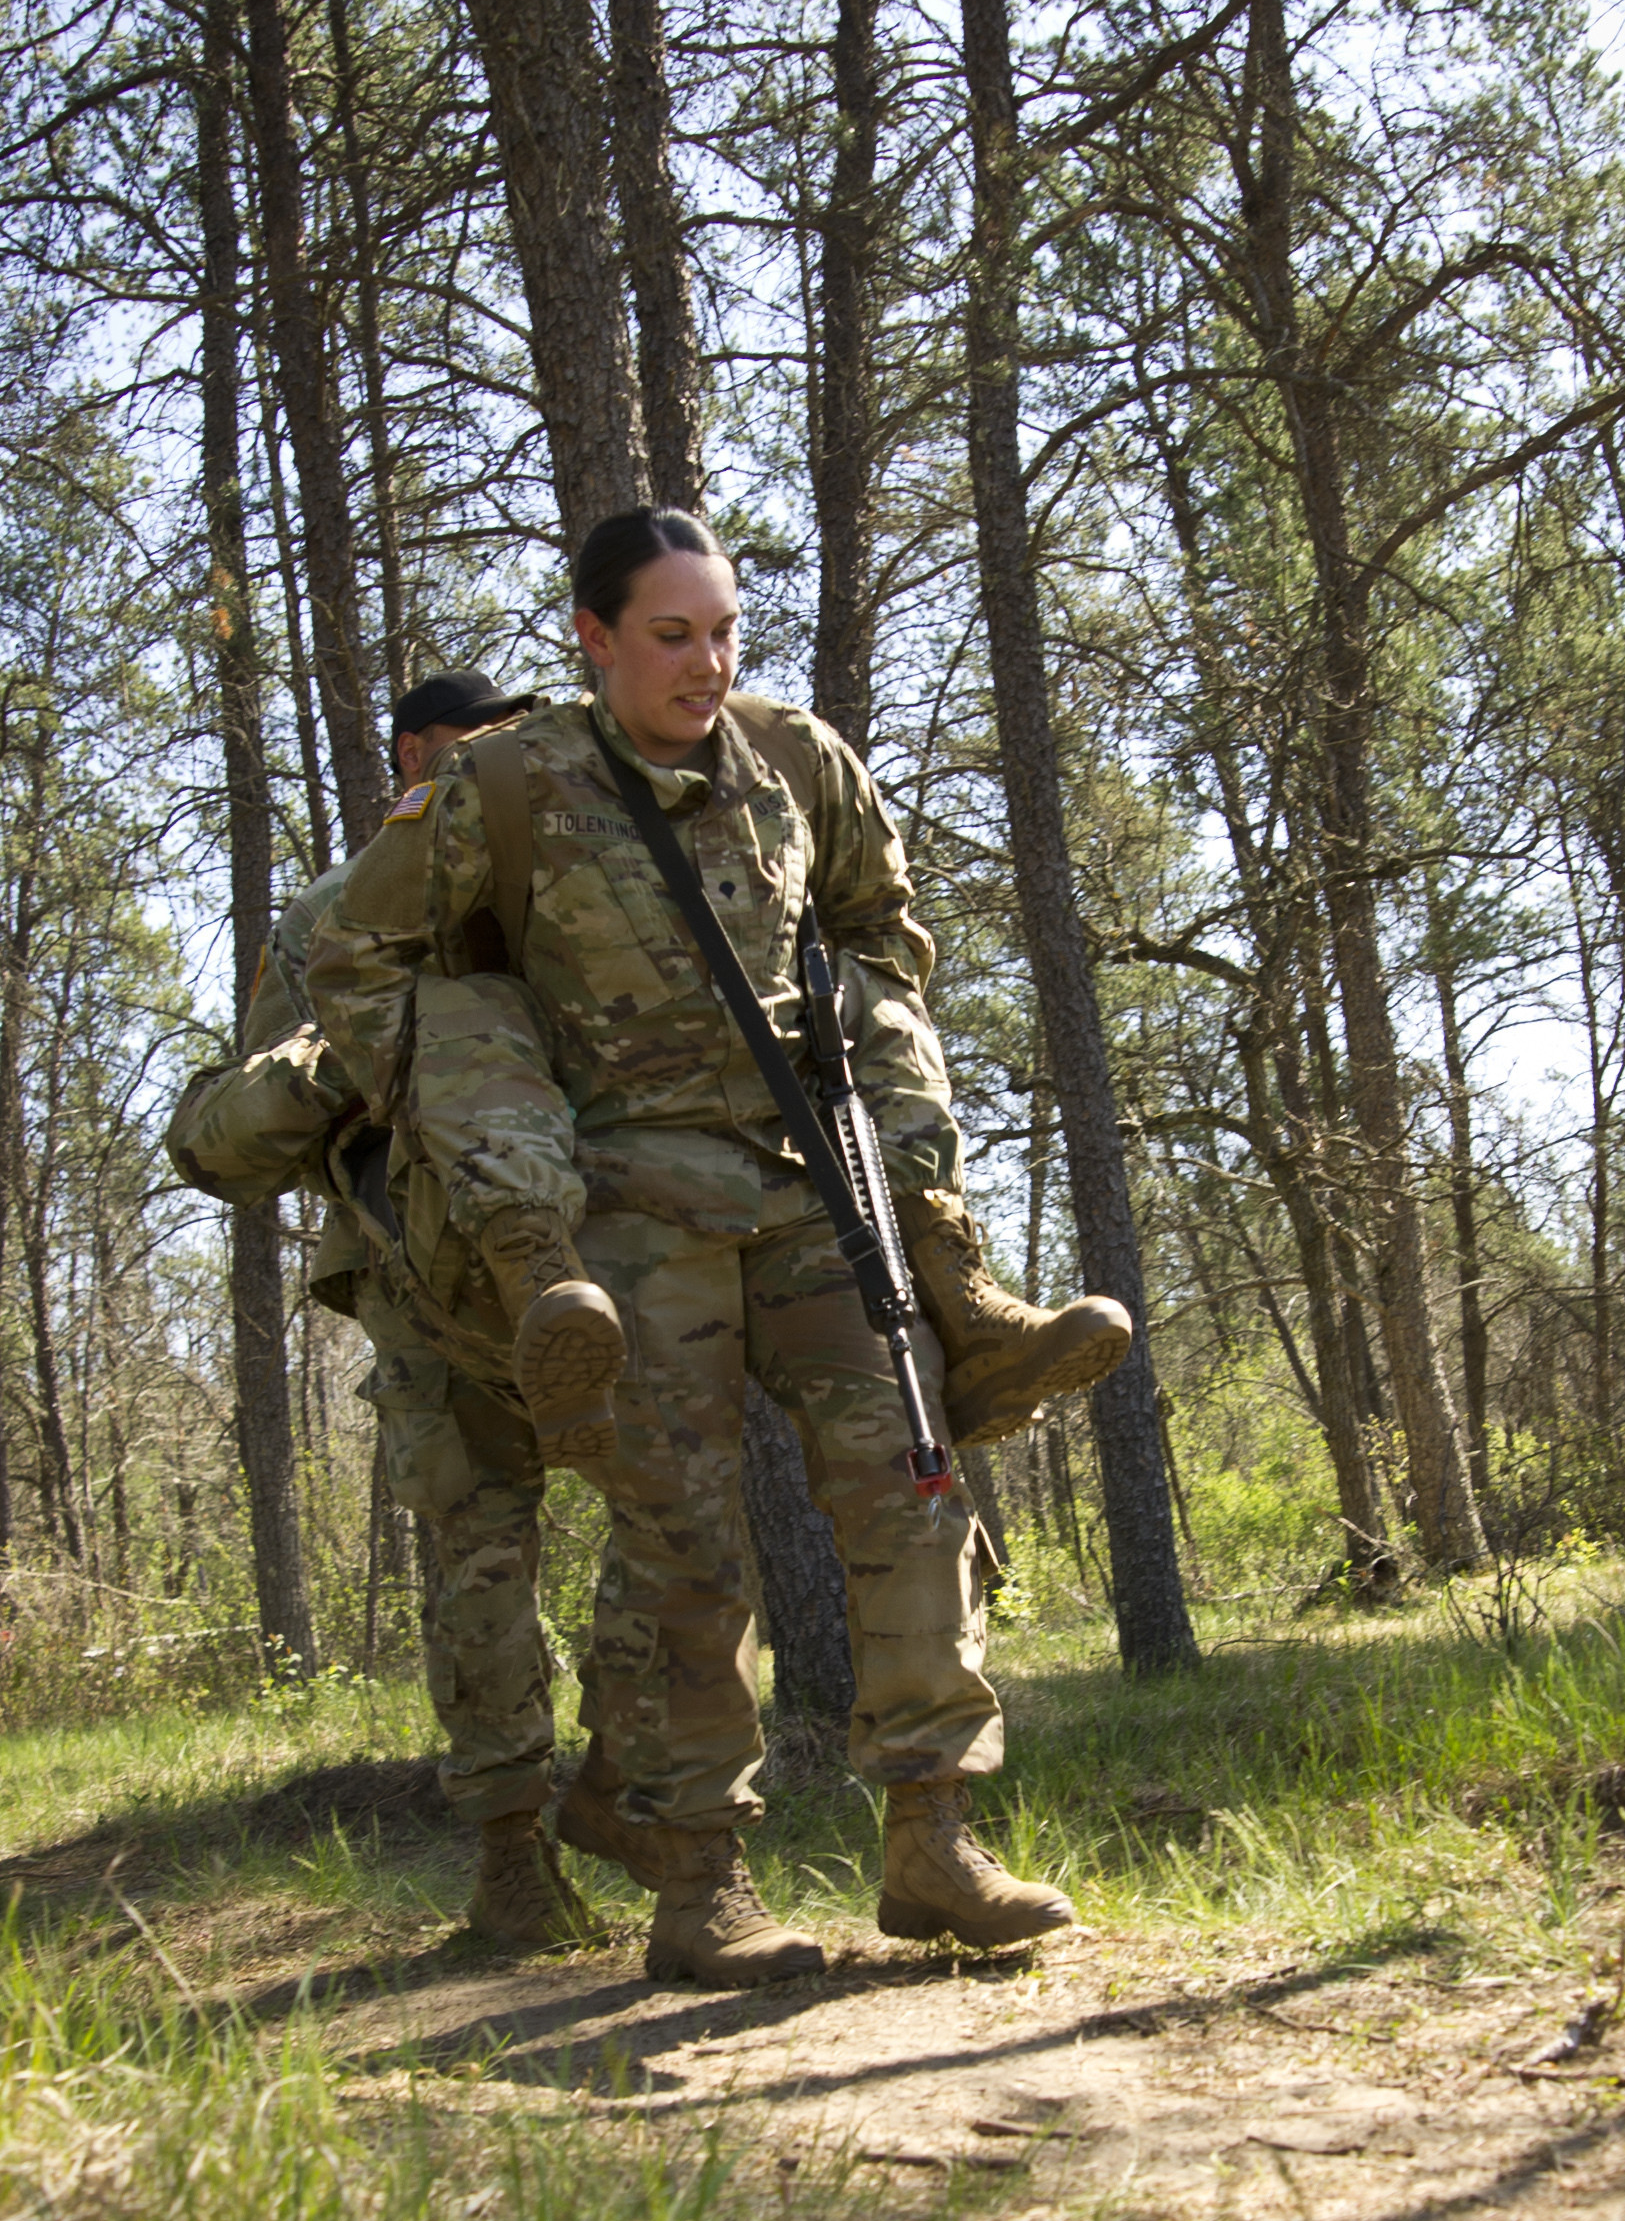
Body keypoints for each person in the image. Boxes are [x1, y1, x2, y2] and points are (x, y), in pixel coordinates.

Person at [306, 510, 1132, 1988]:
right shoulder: (502, 784)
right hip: (624, 1202)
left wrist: (887, 1084)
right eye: (671, 635)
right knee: (685, 1541)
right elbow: (359, 955)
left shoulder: (797, 759)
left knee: (911, 1472)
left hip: (811, 1177)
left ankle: (931, 1840)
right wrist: (465, 1087)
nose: (705, 663)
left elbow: (883, 924)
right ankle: (699, 1884)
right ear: (596, 637)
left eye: (724, 630)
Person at [169, 669, 601, 1950]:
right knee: (480, 1563)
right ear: (413, 756)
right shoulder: (324, 918)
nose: (503, 767)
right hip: (424, 1280)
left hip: (606, 1263)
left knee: (675, 1524)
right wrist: (348, 1058)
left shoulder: (568, 891)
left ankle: (670, 1817)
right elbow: (225, 1127)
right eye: (476, 746)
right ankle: (512, 1857)